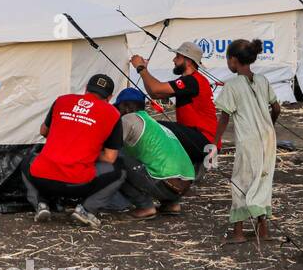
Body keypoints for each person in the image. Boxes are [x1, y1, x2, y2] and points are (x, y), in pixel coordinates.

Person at [20, 73, 125, 229]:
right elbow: (110, 157)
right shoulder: (113, 114)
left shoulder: (62, 101)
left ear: (85, 89)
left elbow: (43, 131)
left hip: (43, 178)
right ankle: (86, 210)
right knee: (120, 171)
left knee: (27, 161)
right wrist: (90, 152)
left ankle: (40, 204)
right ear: (109, 97)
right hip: (77, 183)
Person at [214, 39, 281, 244]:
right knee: (263, 179)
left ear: (233, 60)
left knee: (241, 181)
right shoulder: (262, 80)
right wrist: (269, 125)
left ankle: (239, 233)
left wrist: (214, 142)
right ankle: (263, 231)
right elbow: (276, 108)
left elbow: (224, 118)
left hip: (248, 141)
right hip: (269, 138)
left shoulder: (231, 86)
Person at [130, 40, 218, 172]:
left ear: (188, 61)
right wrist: (144, 71)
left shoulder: (192, 81)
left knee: (153, 126)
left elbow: (155, 89)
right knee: (158, 127)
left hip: (203, 139)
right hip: (204, 140)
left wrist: (141, 68)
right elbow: (155, 94)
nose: (173, 60)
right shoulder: (191, 80)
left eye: (177, 57)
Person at [113, 87, 195, 219]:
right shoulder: (156, 125)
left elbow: (112, 148)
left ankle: (144, 206)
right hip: (184, 185)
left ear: (126, 107)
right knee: (150, 159)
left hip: (165, 184)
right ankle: (171, 204)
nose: (118, 112)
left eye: (119, 108)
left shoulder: (129, 118)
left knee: (116, 158)